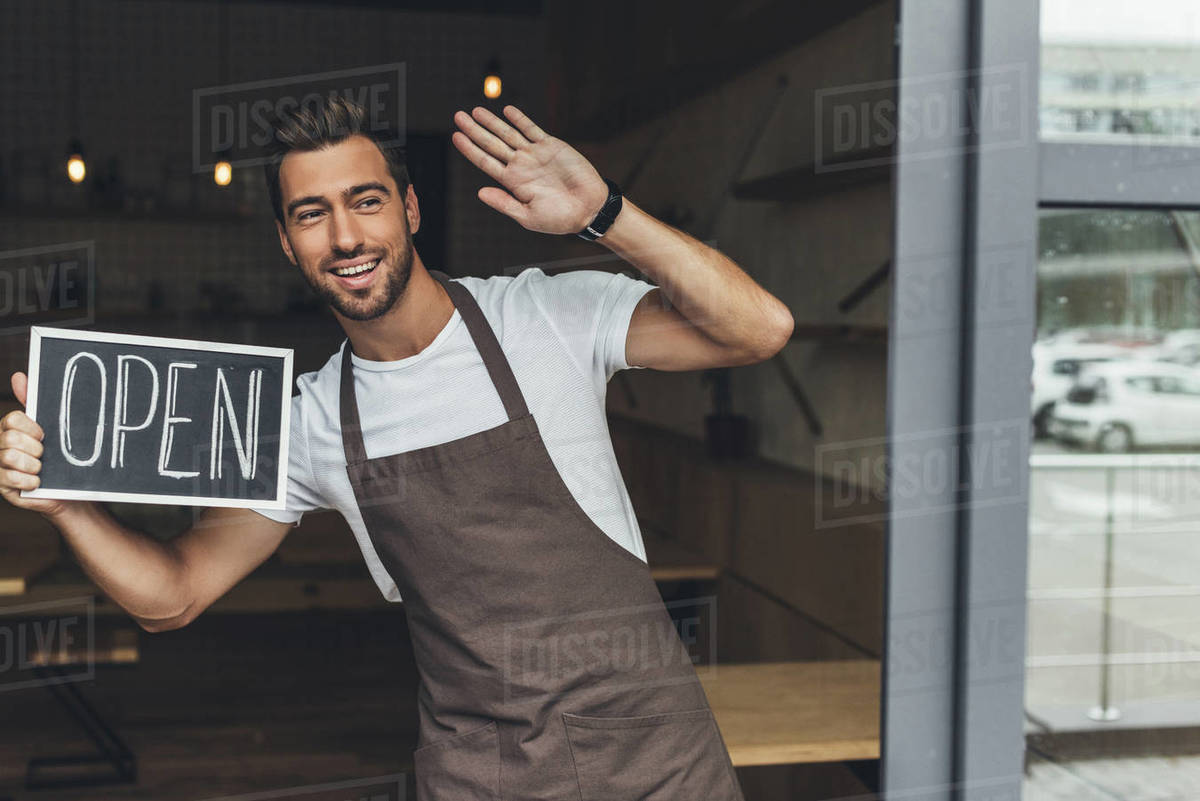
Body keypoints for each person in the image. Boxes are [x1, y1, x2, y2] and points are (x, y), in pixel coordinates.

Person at [0, 96, 792, 800]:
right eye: (311, 214)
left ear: (410, 208)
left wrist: (607, 213)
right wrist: (68, 504)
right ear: (286, 242)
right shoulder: (308, 424)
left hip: (659, 760)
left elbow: (760, 329)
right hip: (485, 775)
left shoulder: (542, 317)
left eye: (366, 200)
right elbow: (172, 594)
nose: (345, 236)